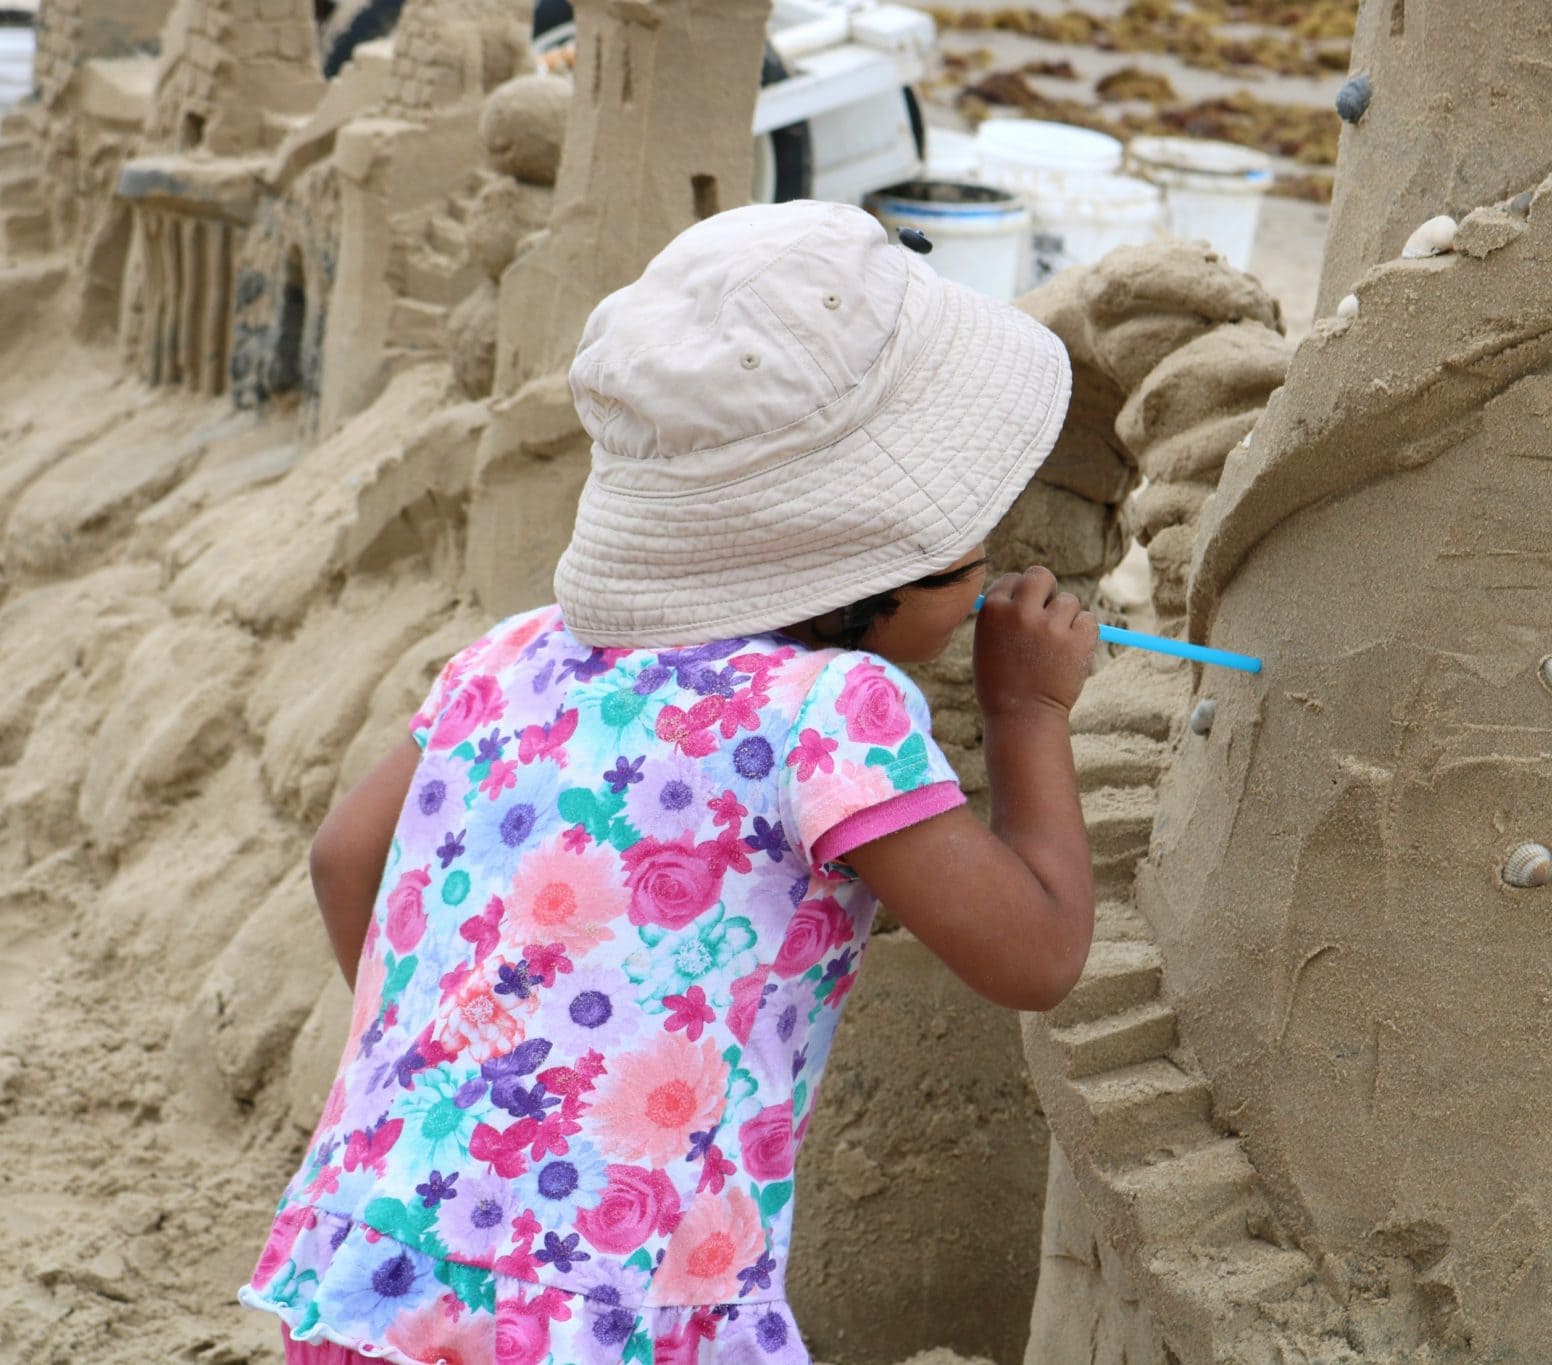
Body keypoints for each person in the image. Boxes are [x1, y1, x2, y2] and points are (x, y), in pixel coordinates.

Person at [237, 199, 1098, 1364]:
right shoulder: (831, 711)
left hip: (374, 1264)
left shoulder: (507, 655)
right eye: (967, 565)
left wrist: (467, 1082)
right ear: (865, 578)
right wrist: (1027, 712)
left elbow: (345, 859)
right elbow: (1035, 955)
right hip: (618, 1306)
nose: (984, 588)